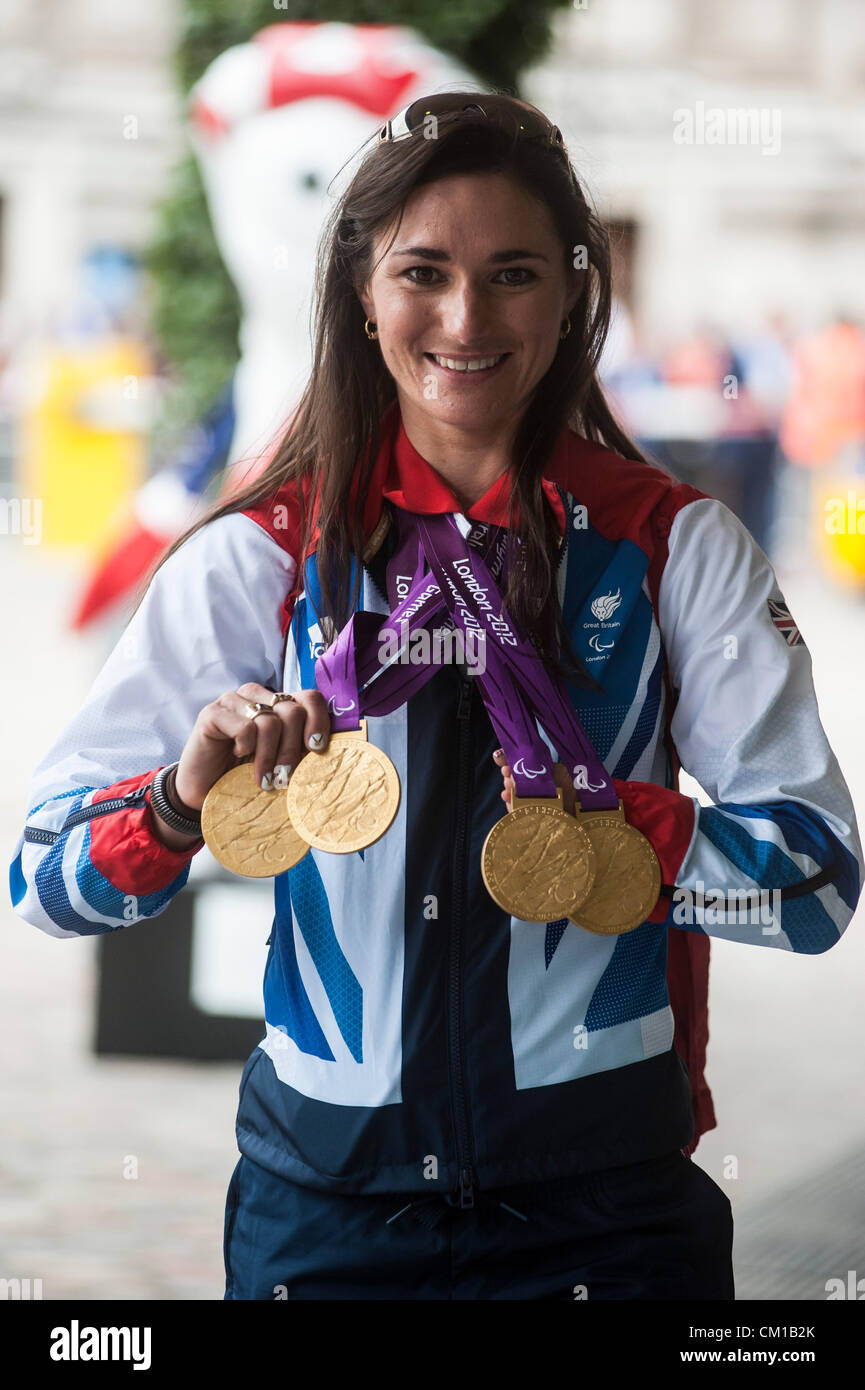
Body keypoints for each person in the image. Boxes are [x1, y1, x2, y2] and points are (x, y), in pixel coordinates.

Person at [10, 93, 862, 1302]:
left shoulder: (674, 546)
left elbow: (817, 885)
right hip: (326, 1216)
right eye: (424, 271)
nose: (467, 318)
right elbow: (41, 878)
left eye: (513, 273)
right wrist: (178, 800)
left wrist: (614, 821)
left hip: (607, 1214)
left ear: (572, 292)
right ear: (362, 290)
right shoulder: (260, 557)